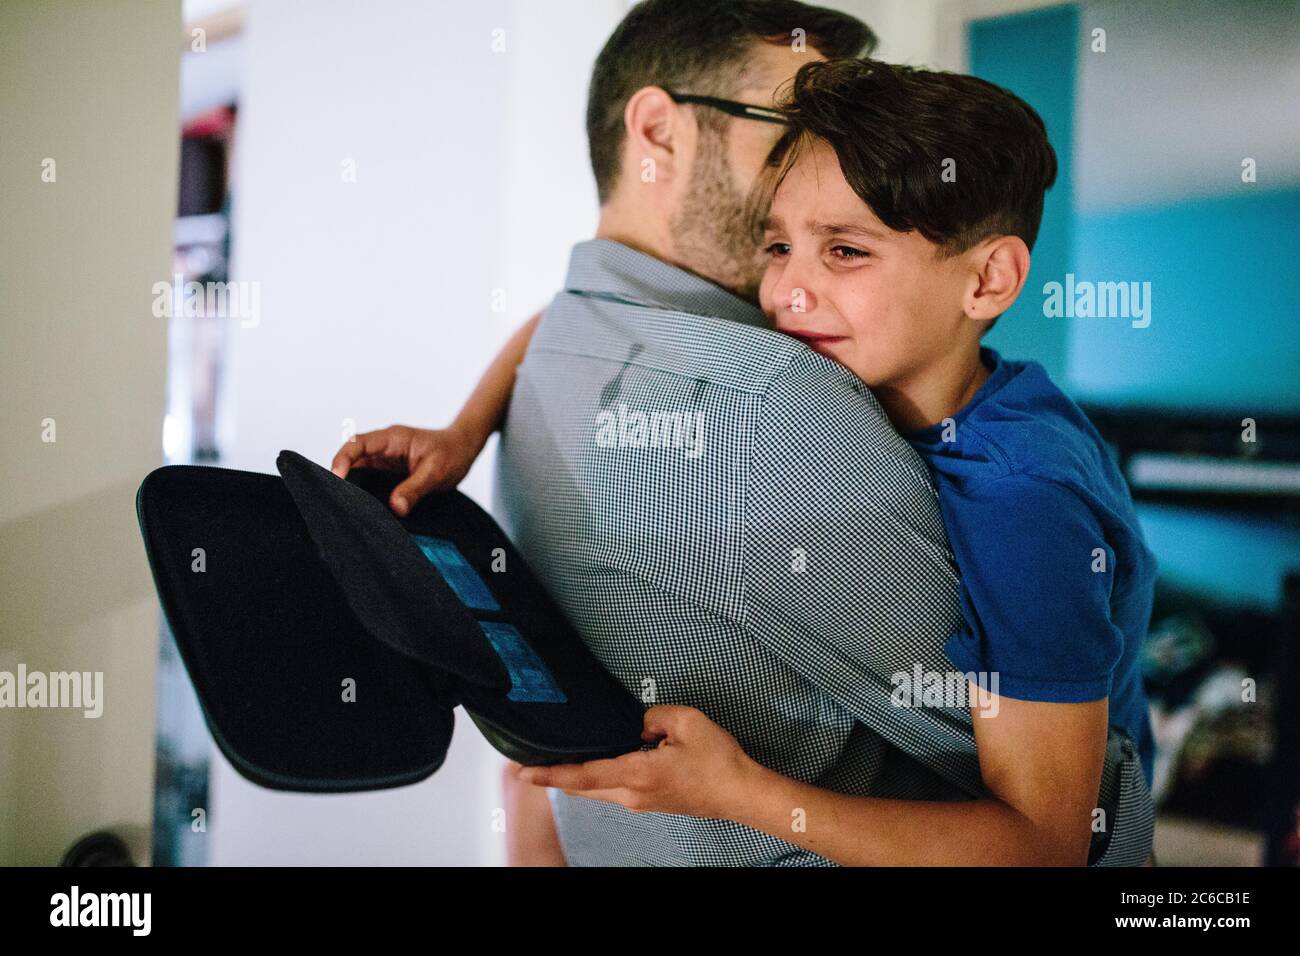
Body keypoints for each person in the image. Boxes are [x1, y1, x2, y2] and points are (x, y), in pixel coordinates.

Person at [333, 3, 1155, 866]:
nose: (791, 289)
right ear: (658, 131)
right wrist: (468, 425)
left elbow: (1048, 834)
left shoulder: (1013, 492)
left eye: (843, 249)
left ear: (987, 280)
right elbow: (587, 310)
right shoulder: (698, 355)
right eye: (776, 243)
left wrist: (748, 795)